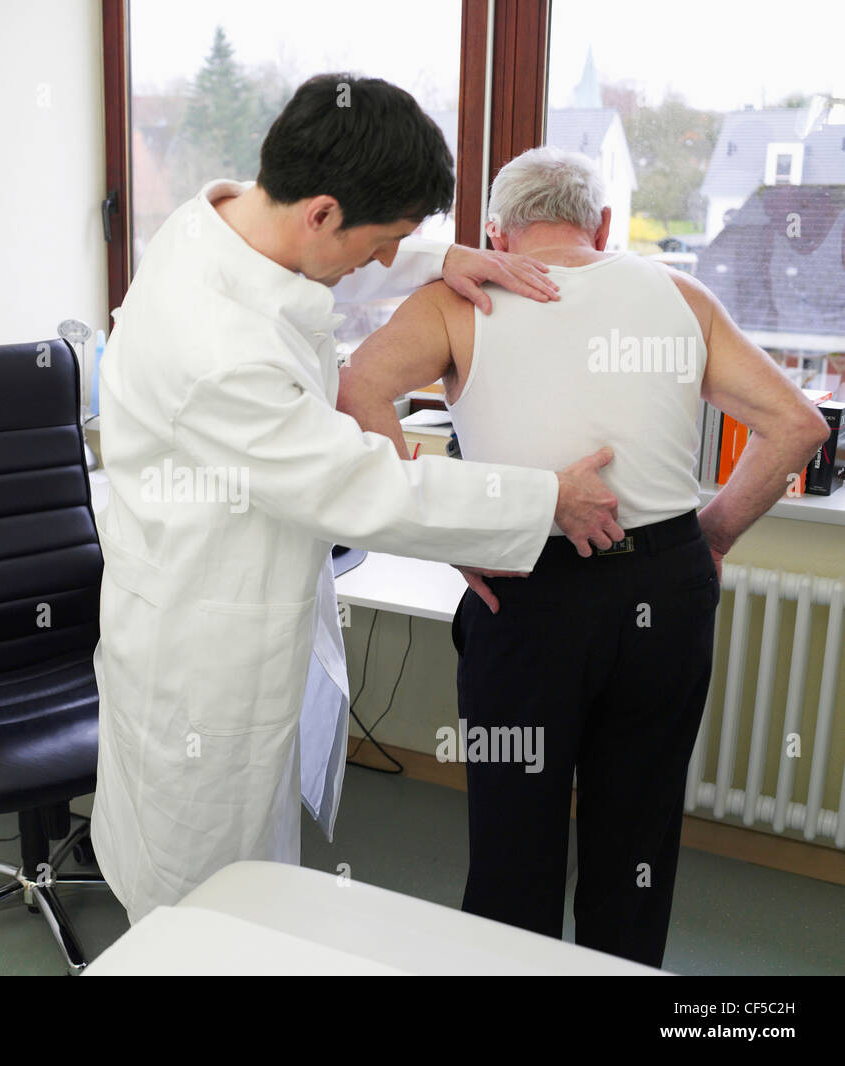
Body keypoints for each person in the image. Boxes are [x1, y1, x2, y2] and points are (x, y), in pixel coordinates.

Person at [91, 76, 625, 925]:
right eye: (384, 242)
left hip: (233, 603)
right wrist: (544, 499)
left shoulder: (222, 222)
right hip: (198, 659)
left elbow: (321, 258)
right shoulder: (213, 349)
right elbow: (361, 485)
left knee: (255, 896)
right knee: (192, 910)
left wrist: (440, 255)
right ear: (324, 213)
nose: (386, 261)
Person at [336, 146, 831, 966]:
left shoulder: (462, 297)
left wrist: (452, 533)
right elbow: (798, 426)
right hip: (666, 591)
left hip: (527, 589)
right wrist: (711, 535)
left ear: (496, 233)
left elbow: (358, 387)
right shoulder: (680, 294)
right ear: (601, 225)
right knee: (636, 845)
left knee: (512, 844)